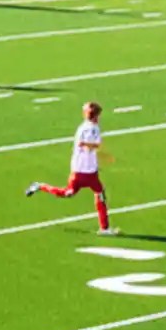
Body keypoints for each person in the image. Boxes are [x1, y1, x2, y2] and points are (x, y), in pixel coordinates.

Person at [25, 101, 117, 236]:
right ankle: (104, 228)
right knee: (97, 194)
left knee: (72, 193)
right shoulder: (93, 129)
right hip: (85, 171)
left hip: (81, 168)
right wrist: (102, 153)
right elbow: (87, 145)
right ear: (96, 116)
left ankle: (40, 186)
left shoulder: (83, 127)